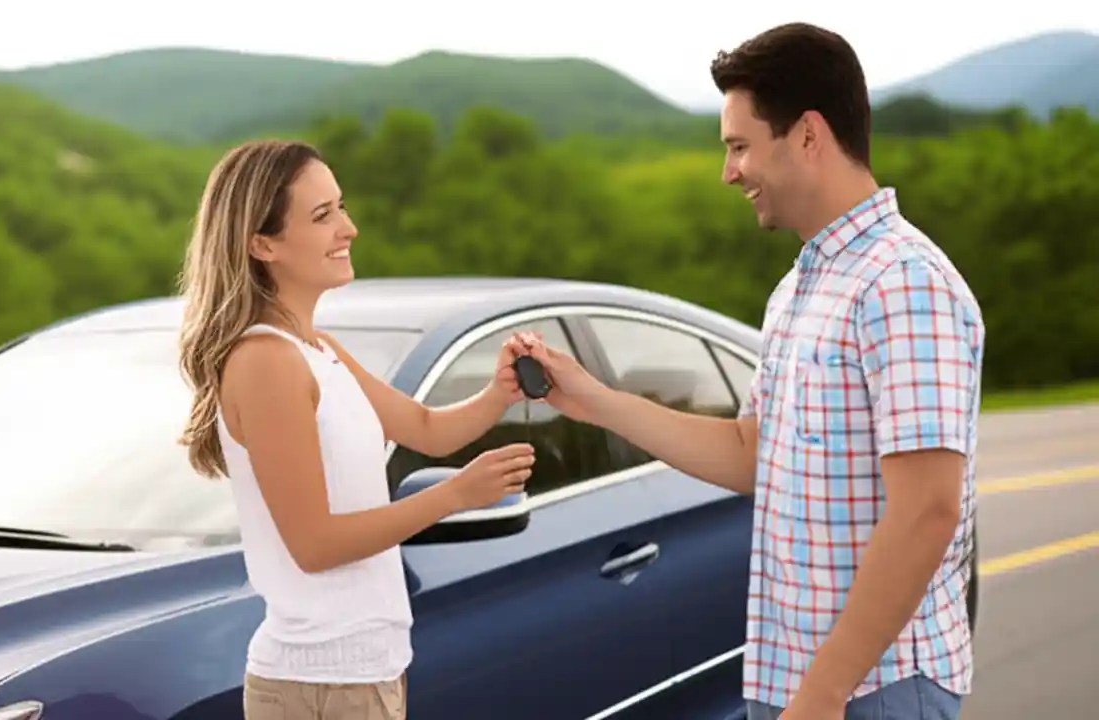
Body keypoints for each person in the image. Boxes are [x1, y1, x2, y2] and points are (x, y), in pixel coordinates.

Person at [515, 22, 983, 720]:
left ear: (807, 136)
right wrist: (596, 401)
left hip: (874, 691)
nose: (729, 171)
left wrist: (824, 693)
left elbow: (927, 510)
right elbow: (751, 453)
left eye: (739, 146)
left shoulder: (904, 283)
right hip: (795, 681)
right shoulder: (798, 290)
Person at [175, 139, 536, 719]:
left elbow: (426, 429)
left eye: (340, 207)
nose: (349, 228)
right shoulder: (267, 361)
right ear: (262, 244)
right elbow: (315, 545)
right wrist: (456, 495)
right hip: (318, 687)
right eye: (323, 216)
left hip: (363, 674)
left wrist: (499, 391)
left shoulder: (319, 350)